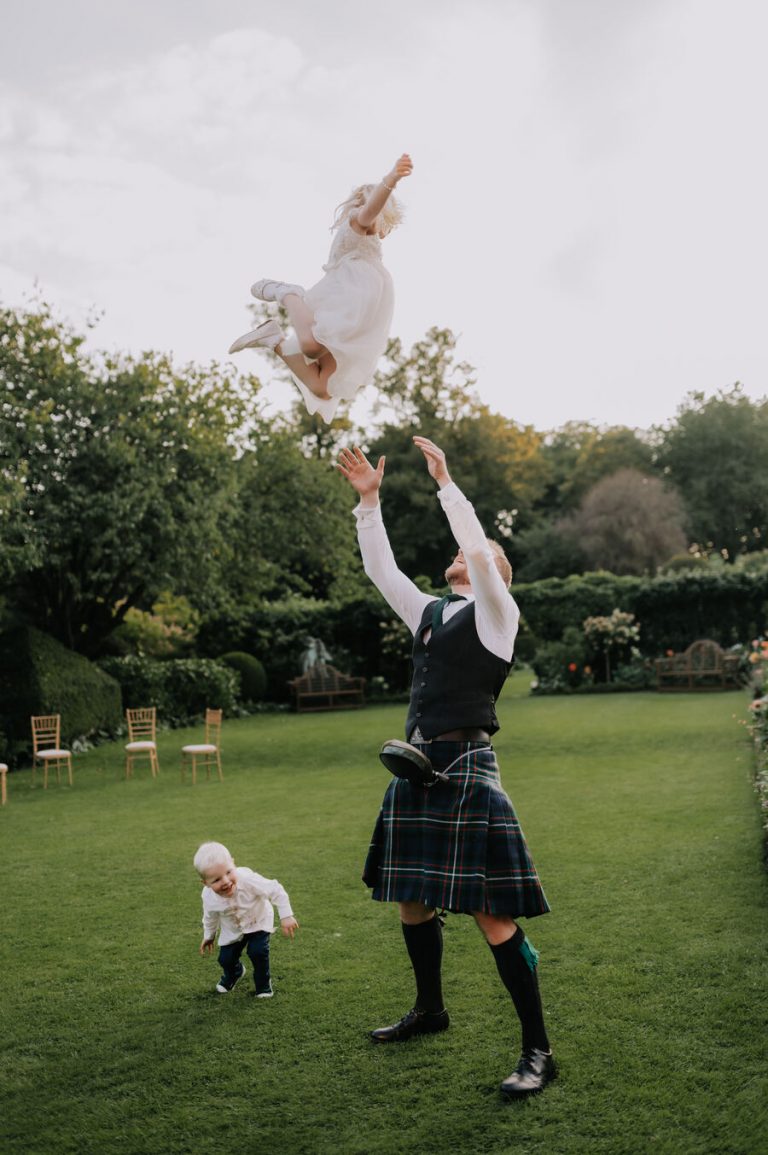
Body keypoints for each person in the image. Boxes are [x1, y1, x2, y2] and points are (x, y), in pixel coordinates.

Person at [336, 436, 556, 1098]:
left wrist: (447, 485)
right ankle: (430, 1008)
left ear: (494, 572)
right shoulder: (430, 615)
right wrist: (369, 504)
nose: (461, 554)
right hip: (417, 766)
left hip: (467, 765)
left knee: (492, 912)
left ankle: (538, 1050)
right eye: (461, 551)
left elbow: (481, 552)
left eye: (475, 552)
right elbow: (383, 572)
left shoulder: (498, 614)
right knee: (411, 897)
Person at [228, 153, 413, 424]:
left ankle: (272, 338)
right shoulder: (355, 222)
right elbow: (370, 211)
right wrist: (392, 180)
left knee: (322, 389)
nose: (385, 228)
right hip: (342, 299)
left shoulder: (372, 249)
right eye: (385, 219)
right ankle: (288, 293)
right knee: (311, 349)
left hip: (360, 315)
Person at [194, 841, 299, 997]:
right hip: (233, 930)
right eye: (216, 880)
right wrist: (209, 936)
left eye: (229, 872)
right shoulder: (208, 897)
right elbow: (210, 917)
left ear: (233, 864)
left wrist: (286, 916)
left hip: (259, 921)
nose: (226, 881)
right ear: (205, 883)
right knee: (225, 959)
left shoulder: (247, 879)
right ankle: (235, 972)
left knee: (257, 952)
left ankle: (263, 985)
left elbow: (275, 889)